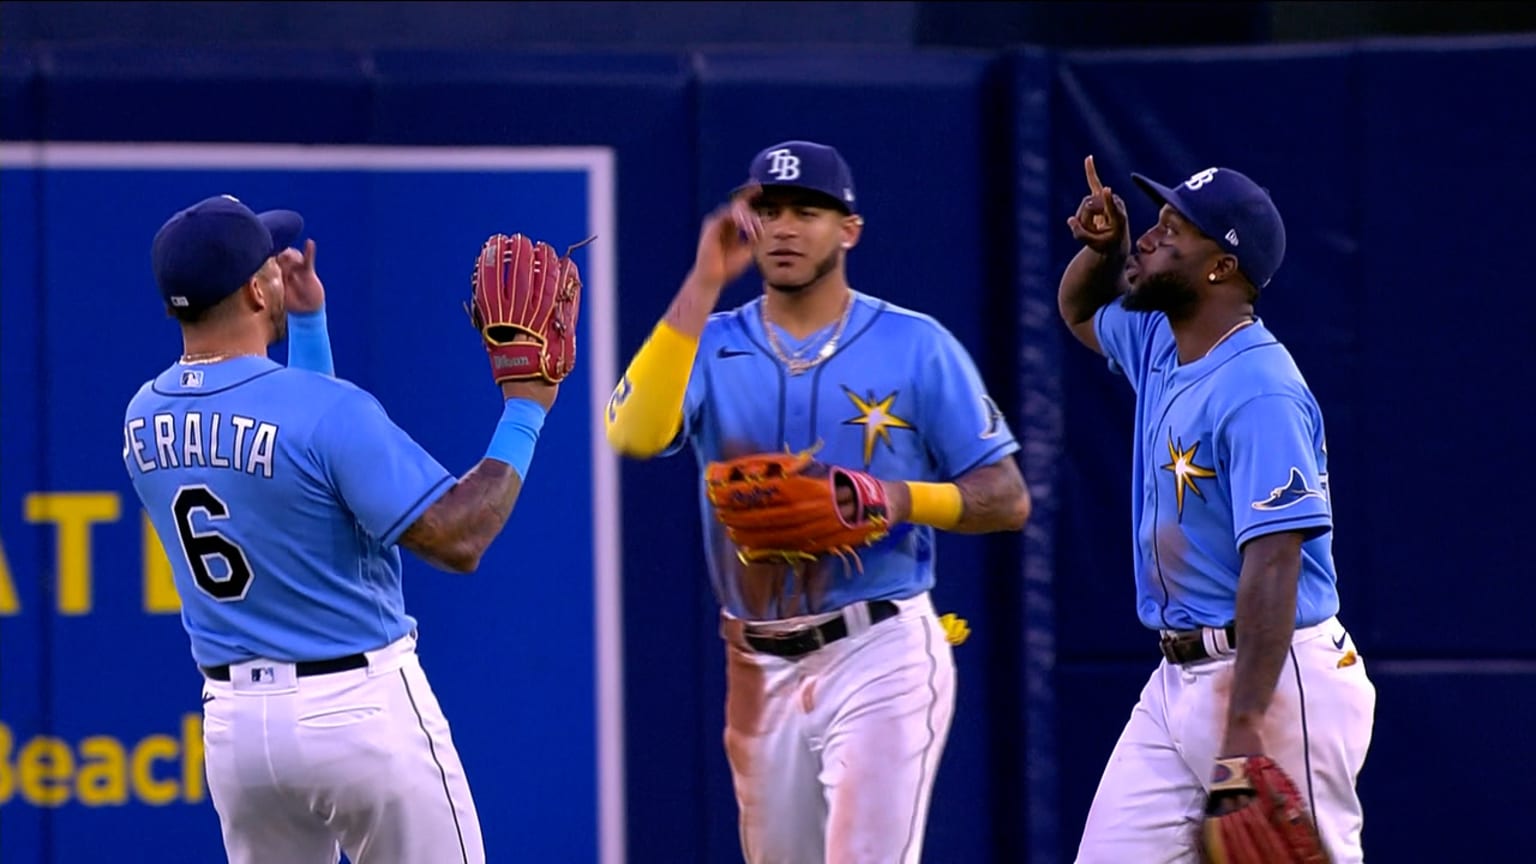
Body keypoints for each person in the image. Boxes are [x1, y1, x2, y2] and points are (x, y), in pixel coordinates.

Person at [605, 140, 1032, 863]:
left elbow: (1006, 497)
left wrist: (894, 497)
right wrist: (705, 279)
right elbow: (635, 432)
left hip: (880, 647)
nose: (785, 228)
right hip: (757, 659)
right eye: (768, 212)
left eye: (808, 211)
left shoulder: (916, 345)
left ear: (849, 230)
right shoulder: (710, 341)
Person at [122, 194, 559, 864]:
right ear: (255, 289)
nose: (281, 264)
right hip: (359, 712)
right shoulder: (330, 412)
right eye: (269, 262)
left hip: (238, 735)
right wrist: (527, 408)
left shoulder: (142, 415)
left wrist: (306, 326)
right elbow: (458, 537)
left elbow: (291, 453)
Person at [1057, 156, 1377, 862]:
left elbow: (1273, 563)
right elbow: (1080, 310)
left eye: (1174, 230)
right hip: (1176, 679)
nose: (1150, 236)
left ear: (1221, 269)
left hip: (1276, 680)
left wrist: (1243, 732)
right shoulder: (1160, 345)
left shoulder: (1260, 388)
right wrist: (1103, 251)